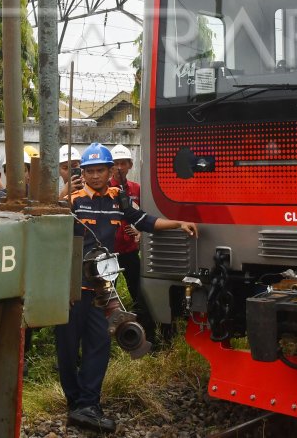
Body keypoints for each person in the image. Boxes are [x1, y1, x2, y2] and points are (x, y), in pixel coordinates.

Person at [55, 142, 198, 433]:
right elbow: (47, 223)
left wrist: (178, 223)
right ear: (82, 173)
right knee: (67, 348)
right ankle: (75, 404)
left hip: (101, 290)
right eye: (89, 171)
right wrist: (60, 198)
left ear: (111, 171)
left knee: (100, 345)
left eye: (100, 171)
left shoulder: (118, 200)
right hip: (68, 287)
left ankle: (90, 404)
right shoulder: (72, 200)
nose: (95, 176)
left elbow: (144, 221)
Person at [108, 143, 165, 350]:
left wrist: (140, 233)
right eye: (116, 164)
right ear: (110, 167)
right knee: (107, 297)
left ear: (130, 165)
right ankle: (110, 342)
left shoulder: (137, 189)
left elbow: (144, 216)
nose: (120, 167)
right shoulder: (106, 190)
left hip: (130, 251)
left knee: (139, 293)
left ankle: (149, 339)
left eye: (123, 163)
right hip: (110, 252)